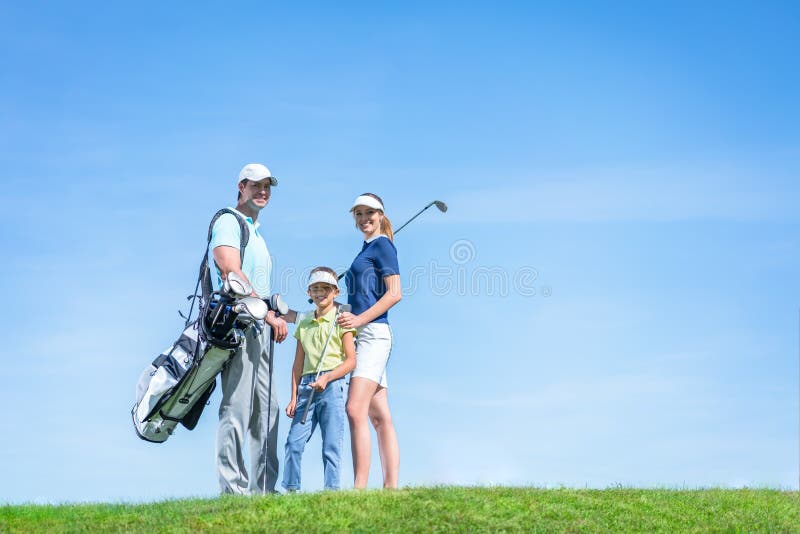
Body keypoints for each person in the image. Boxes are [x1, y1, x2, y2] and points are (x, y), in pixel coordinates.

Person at [209, 162, 296, 494]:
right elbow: (230, 269)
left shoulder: (256, 233)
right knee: (237, 408)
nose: (263, 191)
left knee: (267, 411)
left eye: (268, 187)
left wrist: (278, 315)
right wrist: (267, 314)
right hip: (236, 327)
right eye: (256, 185)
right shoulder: (229, 221)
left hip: (258, 328)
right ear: (241, 186)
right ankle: (232, 490)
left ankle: (264, 491)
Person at [337, 193, 402, 489]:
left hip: (374, 334)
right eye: (359, 214)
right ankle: (390, 488)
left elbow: (394, 293)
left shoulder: (384, 246)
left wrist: (360, 320)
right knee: (379, 415)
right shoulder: (366, 249)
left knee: (355, 408)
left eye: (369, 213)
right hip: (365, 334)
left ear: (381, 215)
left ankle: (359, 488)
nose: (364, 219)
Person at [282, 267, 357, 491]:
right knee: (294, 443)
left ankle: (331, 493)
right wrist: (293, 397)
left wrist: (328, 378)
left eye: (325, 289)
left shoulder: (341, 319)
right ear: (309, 292)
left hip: (332, 385)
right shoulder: (304, 323)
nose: (320, 293)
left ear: (335, 292)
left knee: (331, 445)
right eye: (315, 289)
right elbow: (297, 365)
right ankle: (291, 488)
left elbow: (351, 360)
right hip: (306, 386)